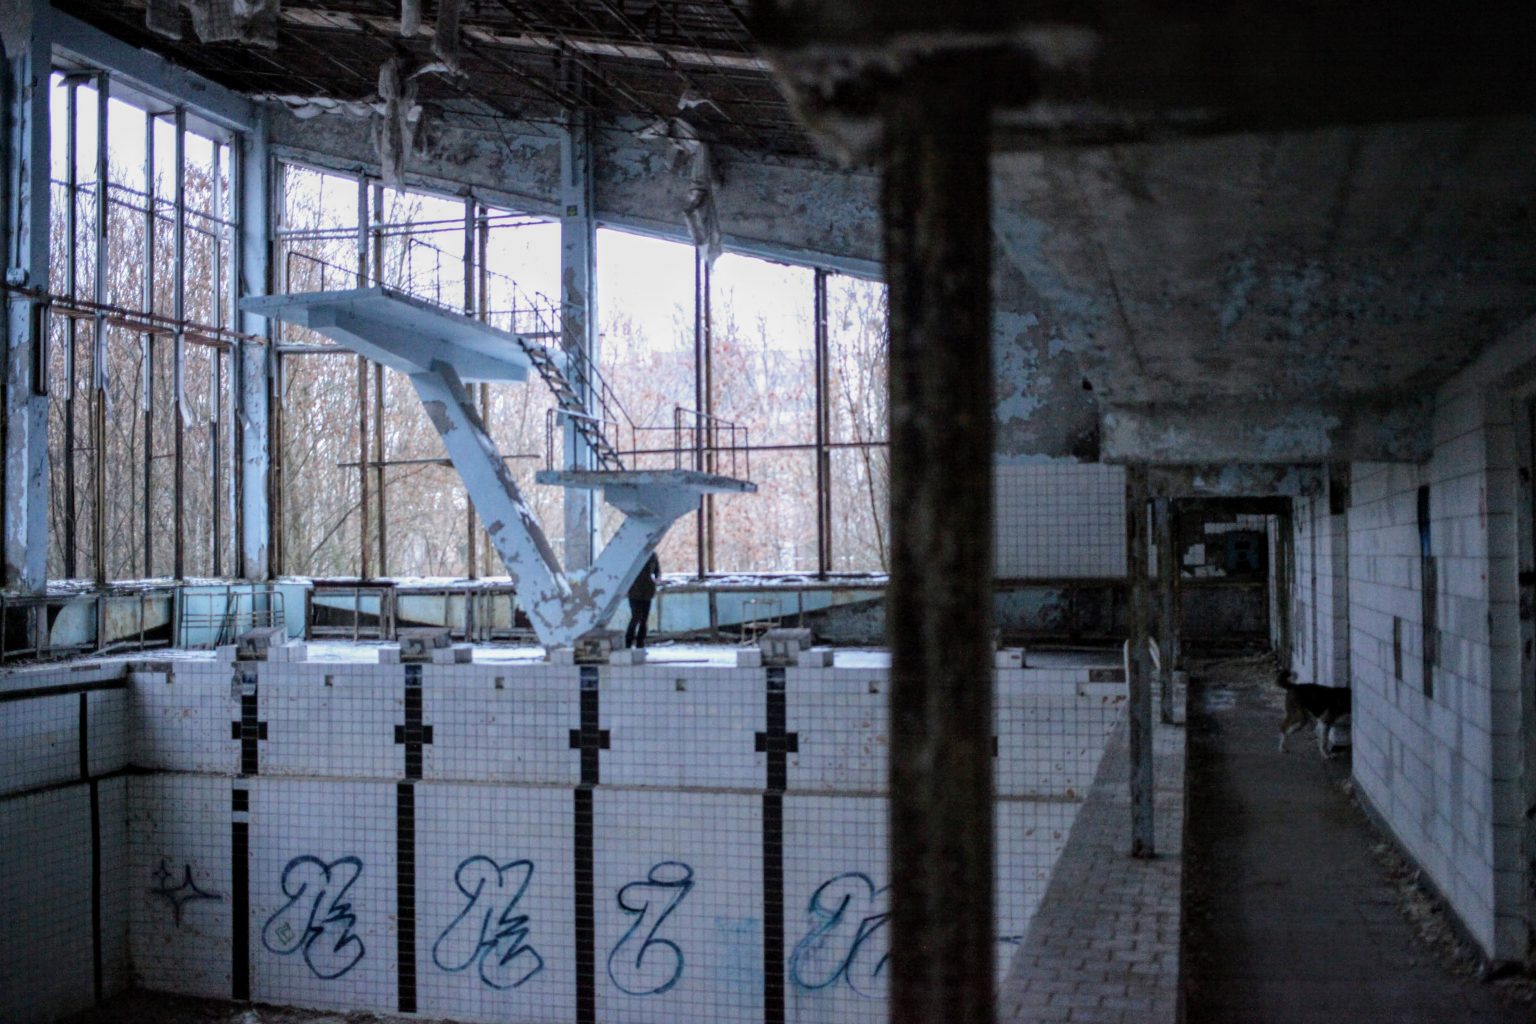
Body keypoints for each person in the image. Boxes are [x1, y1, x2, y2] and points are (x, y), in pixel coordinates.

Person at [625, 551, 661, 649]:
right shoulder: (634, 554)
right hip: (635, 592)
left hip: (647, 591)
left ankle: (640, 643)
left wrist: (657, 578)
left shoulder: (652, 555)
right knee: (636, 617)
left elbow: (657, 571)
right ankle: (628, 641)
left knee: (643, 619)